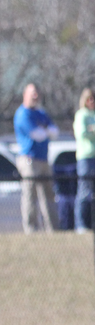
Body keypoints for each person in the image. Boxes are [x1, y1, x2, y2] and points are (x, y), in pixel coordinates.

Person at [13, 83, 59, 233]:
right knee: (30, 196)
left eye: (37, 93)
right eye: (32, 93)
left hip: (44, 159)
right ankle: (31, 230)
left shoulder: (41, 113)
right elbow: (37, 135)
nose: (35, 96)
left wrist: (44, 130)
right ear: (24, 94)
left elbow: (55, 132)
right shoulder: (22, 114)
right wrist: (45, 130)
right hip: (29, 161)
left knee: (48, 196)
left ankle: (53, 229)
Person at [73, 88, 95, 233]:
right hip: (85, 158)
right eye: (89, 99)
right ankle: (80, 225)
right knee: (84, 192)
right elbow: (81, 133)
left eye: (93, 98)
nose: (91, 101)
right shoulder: (81, 115)